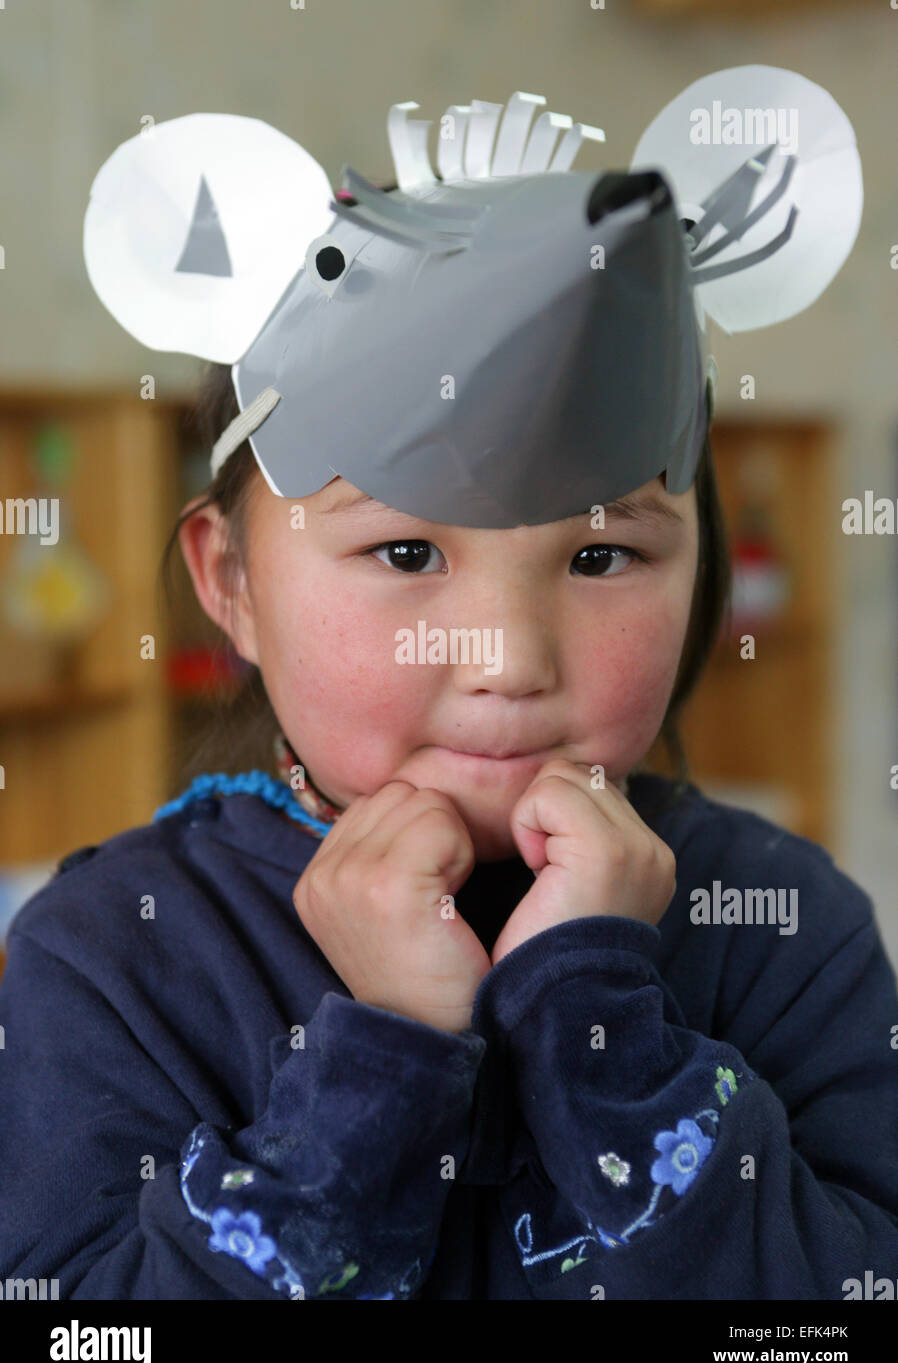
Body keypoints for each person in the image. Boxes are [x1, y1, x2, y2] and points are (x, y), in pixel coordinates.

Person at [1, 74, 895, 1301]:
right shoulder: (108, 954)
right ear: (232, 584)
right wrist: (382, 1059)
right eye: (406, 552)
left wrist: (600, 1027)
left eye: (599, 556)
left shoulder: (788, 924)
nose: (507, 660)